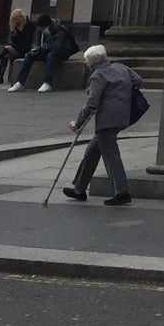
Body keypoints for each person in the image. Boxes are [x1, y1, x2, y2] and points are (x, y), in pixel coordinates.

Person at [63, 45, 141, 206]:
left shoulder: (97, 76)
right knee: (92, 151)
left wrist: (77, 123)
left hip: (107, 120)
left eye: (87, 60)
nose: (86, 63)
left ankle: (121, 192)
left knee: (111, 155)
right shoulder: (120, 67)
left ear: (92, 62)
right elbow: (138, 80)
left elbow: (92, 103)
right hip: (123, 115)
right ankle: (79, 188)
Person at [10, 13, 78, 92]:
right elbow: (37, 42)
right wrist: (36, 48)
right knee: (30, 55)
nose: (42, 30)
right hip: (47, 49)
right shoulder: (40, 29)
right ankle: (20, 82)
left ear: (48, 25)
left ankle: (47, 82)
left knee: (51, 56)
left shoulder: (60, 29)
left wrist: (48, 37)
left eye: (43, 28)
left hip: (62, 52)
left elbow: (56, 47)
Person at [0, 9, 34, 87]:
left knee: (7, 48)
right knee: (5, 55)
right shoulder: (17, 27)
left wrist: (14, 41)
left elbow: (25, 43)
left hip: (24, 50)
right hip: (18, 48)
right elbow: (15, 41)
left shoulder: (28, 26)